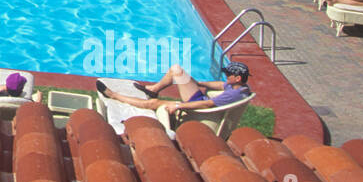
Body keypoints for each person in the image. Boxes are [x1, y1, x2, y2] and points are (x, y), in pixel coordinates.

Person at [96, 62, 252, 114]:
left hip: (198, 107)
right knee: (176, 70)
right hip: (200, 99)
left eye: (228, 75)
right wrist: (198, 83)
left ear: (237, 78)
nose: (226, 77)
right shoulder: (241, 88)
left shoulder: (232, 95)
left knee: (153, 104)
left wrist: (178, 106)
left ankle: (113, 95)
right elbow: (220, 85)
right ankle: (153, 89)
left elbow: (207, 104)